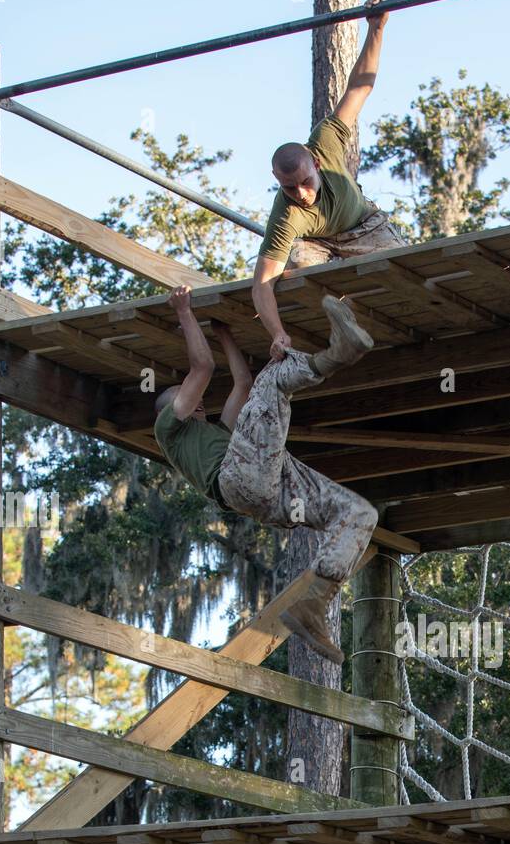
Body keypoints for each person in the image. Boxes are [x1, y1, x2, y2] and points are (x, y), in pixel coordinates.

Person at [153, 283, 378, 665]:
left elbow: (241, 382)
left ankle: (314, 603)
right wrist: (184, 311)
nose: (198, 400)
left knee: (360, 514)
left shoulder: (220, 434)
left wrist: (225, 333)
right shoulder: (169, 429)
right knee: (273, 379)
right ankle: (337, 354)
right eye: (187, 396)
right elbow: (203, 368)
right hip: (238, 480)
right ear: (173, 406)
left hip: (266, 490)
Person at [251, 0, 405, 360]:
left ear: (316, 164)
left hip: (365, 227)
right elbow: (261, 284)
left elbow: (359, 88)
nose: (301, 194)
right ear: (276, 180)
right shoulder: (285, 214)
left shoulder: (326, 142)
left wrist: (376, 28)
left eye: (304, 182)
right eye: (288, 187)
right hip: (321, 245)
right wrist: (277, 333)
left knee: (401, 266)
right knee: (297, 266)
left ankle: (358, 292)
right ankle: (343, 314)